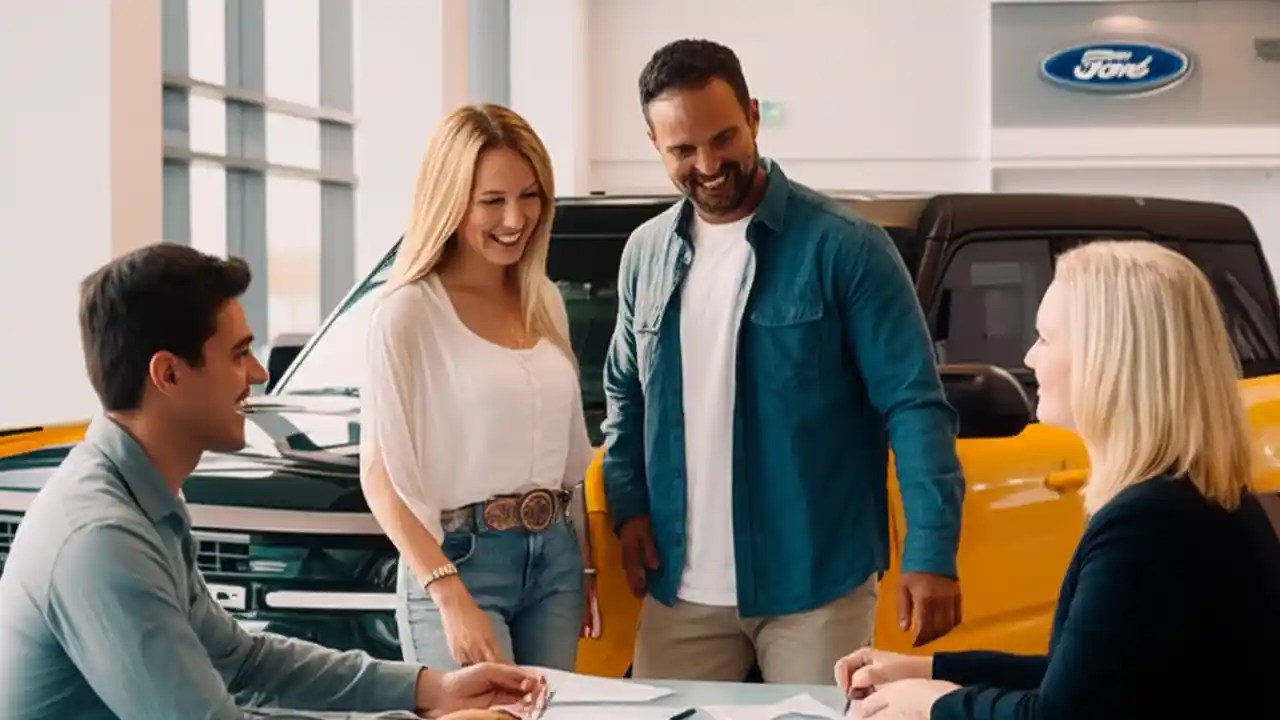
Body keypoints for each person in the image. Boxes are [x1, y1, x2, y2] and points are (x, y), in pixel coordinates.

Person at [0, 244, 547, 720]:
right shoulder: (101, 540)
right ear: (168, 374)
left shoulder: (140, 497)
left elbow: (241, 660)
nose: (260, 374)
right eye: (239, 354)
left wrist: (431, 690)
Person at [600, 37, 965, 685]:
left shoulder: (847, 248)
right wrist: (629, 506)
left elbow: (913, 405)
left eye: (723, 137)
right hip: (681, 591)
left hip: (815, 585)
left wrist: (931, 552)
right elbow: (626, 394)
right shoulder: (644, 254)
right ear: (655, 144)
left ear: (754, 116)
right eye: (683, 150)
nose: (708, 164)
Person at [836, 240, 1280, 719]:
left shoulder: (1150, 525)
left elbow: (1061, 714)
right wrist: (924, 670)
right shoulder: (1188, 501)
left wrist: (934, 705)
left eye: (1045, 338)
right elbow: (1083, 677)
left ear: (1107, 358)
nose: (1028, 358)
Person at [360, 103, 600, 673]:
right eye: (492, 201)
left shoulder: (543, 301)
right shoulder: (407, 312)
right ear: (451, 200)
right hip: (460, 563)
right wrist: (447, 593)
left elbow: (571, 463)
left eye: (530, 195)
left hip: (555, 566)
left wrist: (585, 568)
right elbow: (379, 474)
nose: (515, 218)